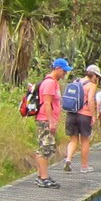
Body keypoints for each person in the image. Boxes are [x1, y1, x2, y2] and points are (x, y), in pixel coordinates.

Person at [34, 58, 68, 188]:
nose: (65, 74)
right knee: (46, 148)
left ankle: (41, 175)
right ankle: (43, 178)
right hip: (45, 119)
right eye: (64, 71)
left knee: (43, 147)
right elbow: (47, 103)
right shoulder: (49, 83)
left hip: (44, 119)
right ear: (57, 68)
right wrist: (51, 122)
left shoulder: (53, 82)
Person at [62, 64, 100, 173]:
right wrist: (93, 115)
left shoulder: (76, 82)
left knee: (73, 140)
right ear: (94, 75)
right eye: (97, 77)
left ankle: (68, 159)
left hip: (72, 114)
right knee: (85, 140)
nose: (97, 79)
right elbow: (91, 101)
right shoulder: (91, 85)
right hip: (84, 115)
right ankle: (84, 166)